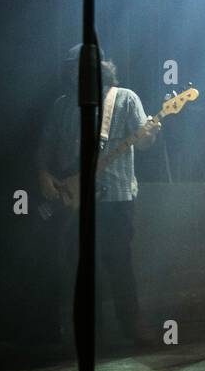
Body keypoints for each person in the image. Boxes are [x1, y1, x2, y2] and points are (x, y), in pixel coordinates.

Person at [36, 45, 160, 348]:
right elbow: (45, 146)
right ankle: (89, 330)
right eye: (72, 69)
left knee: (119, 262)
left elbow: (144, 143)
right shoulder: (62, 105)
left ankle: (132, 326)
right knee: (78, 265)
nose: (75, 74)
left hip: (115, 197)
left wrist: (151, 133)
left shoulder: (125, 98)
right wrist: (43, 175)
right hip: (72, 198)